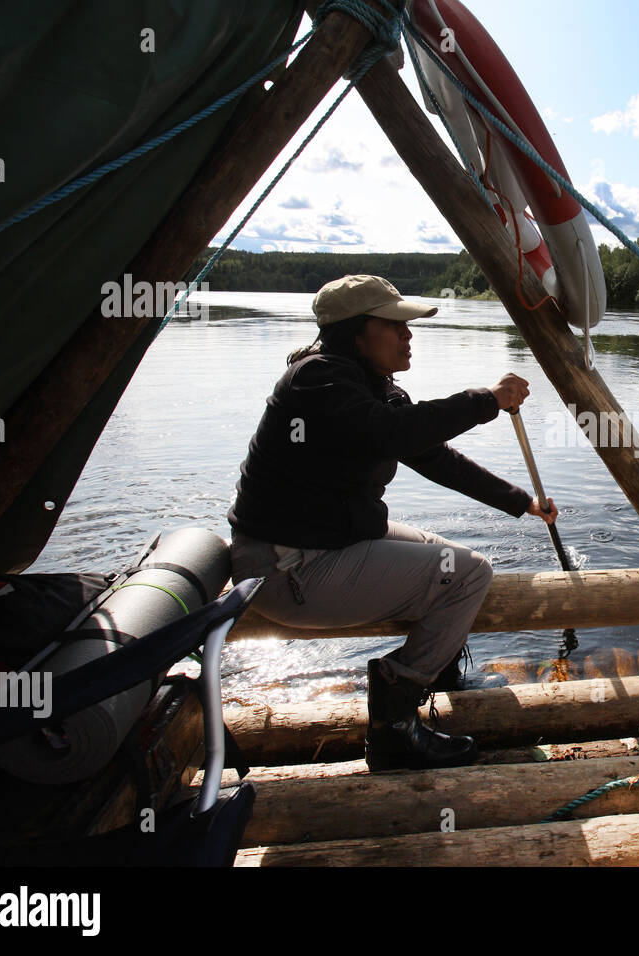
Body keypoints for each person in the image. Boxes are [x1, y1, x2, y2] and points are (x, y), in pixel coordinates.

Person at [227, 274, 557, 771]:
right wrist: (486, 400)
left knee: (446, 554)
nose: (408, 336)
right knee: (469, 573)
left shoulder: (369, 386)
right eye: (396, 326)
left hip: (329, 542)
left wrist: (521, 500)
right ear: (355, 332)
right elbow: (388, 435)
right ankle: (393, 731)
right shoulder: (318, 381)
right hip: (286, 568)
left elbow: (434, 457)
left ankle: (434, 678)